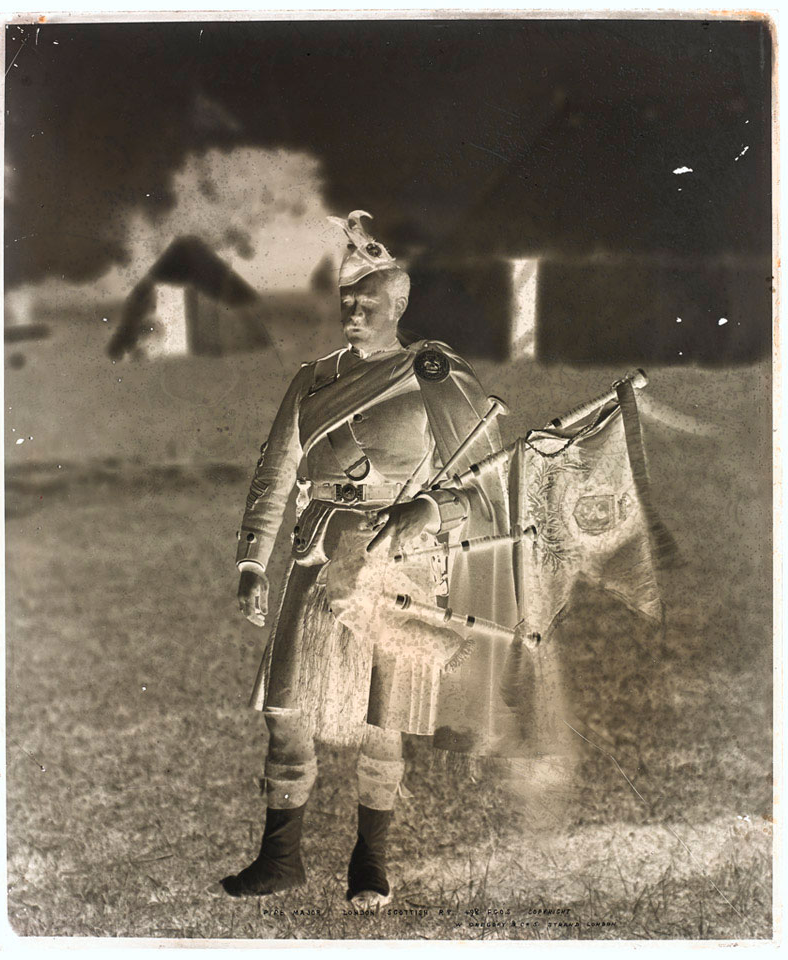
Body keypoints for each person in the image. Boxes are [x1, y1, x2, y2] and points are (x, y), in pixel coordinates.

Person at [220, 211, 517, 907]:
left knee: (384, 716)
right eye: (347, 301)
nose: (355, 312)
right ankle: (279, 857)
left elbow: (485, 482)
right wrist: (251, 562)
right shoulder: (312, 379)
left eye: (369, 303)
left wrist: (425, 511)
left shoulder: (432, 373)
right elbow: (274, 472)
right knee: (286, 710)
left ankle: (370, 862)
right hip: (317, 552)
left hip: (398, 559)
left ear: (398, 307)